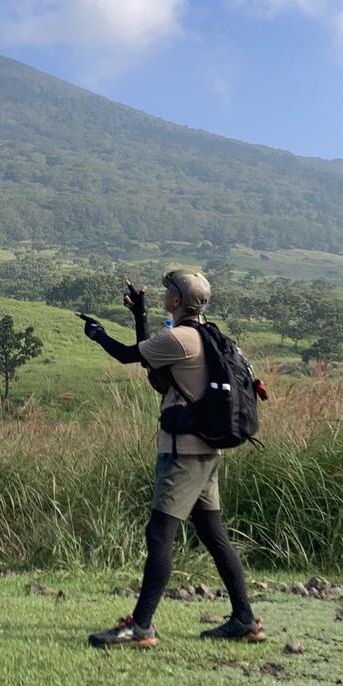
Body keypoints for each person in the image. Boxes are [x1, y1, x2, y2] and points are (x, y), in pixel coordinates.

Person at [78, 269, 264, 647]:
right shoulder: (209, 335)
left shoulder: (180, 337)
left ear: (178, 300)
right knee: (214, 536)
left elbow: (132, 356)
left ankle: (141, 626)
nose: (166, 295)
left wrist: (98, 334)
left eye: (168, 292)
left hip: (182, 455)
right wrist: (139, 316)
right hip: (206, 452)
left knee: (160, 534)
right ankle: (244, 618)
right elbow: (154, 358)